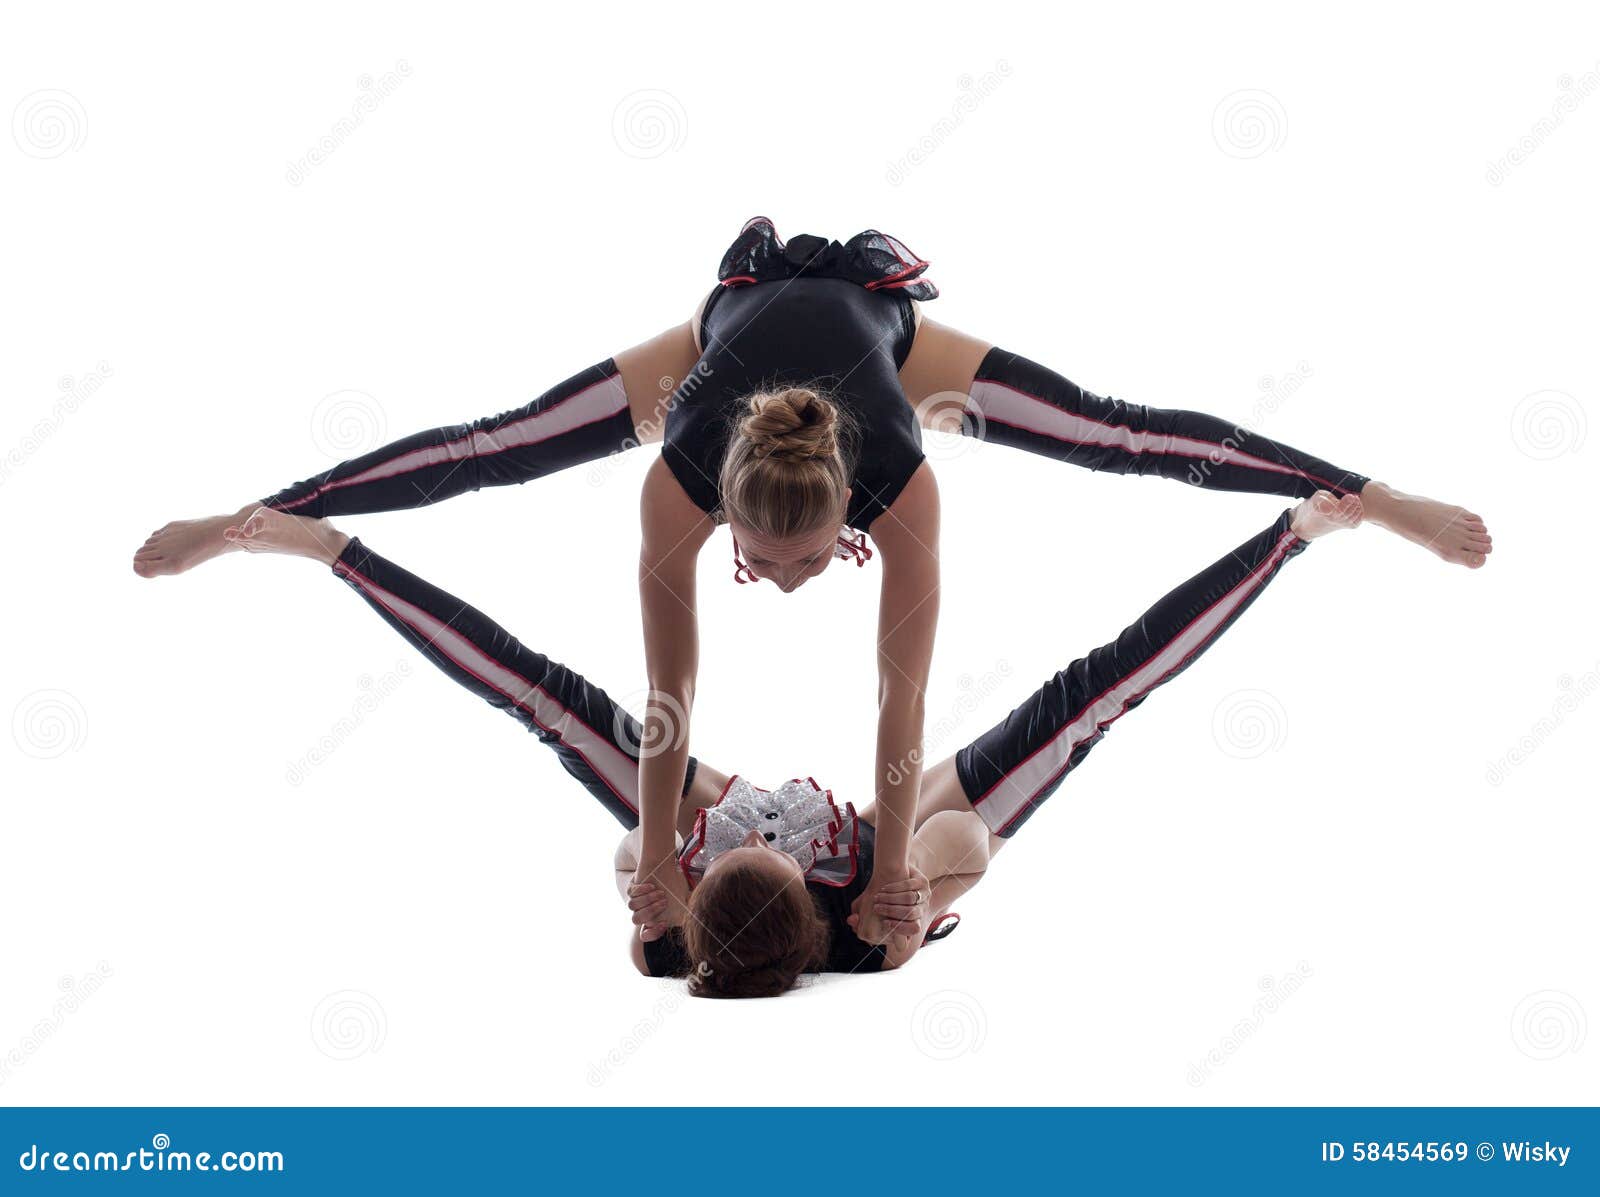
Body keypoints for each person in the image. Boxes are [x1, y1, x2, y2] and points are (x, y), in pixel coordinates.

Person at [132, 216, 1491, 947]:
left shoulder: (905, 482)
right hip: (726, 329)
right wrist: (669, 855)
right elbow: (667, 699)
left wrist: (892, 870)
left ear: (850, 511)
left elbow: (900, 713)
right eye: (762, 565)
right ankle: (248, 521)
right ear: (725, 510)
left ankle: (1373, 501)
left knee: (1119, 436)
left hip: (878, 335)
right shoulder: (676, 478)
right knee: (495, 449)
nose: (779, 588)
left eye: (800, 565)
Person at [217, 485, 1362, 997]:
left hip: (698, 822)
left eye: (737, 846)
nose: (767, 831)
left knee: (543, 698)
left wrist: (645, 870)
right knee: (1092, 699)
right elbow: (958, 831)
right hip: (884, 838)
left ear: (717, 860)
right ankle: (1292, 536)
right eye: (767, 845)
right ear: (812, 901)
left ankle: (337, 553)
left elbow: (627, 869)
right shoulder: (864, 927)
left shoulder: (678, 915)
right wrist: (917, 882)